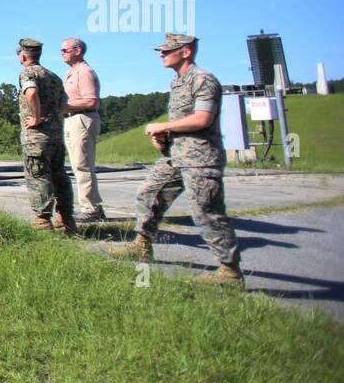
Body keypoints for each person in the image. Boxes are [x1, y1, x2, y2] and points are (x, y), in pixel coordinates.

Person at [111, 34, 243, 287]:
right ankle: (141, 245)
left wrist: (164, 125)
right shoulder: (178, 82)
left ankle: (229, 272)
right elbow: (184, 121)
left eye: (167, 50)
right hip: (175, 157)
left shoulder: (203, 80)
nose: (161, 54)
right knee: (148, 194)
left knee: (206, 212)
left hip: (201, 158)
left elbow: (203, 119)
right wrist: (165, 135)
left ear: (186, 52)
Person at [16, 38, 76, 234]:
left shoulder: (28, 73)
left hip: (37, 137)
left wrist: (36, 118)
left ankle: (43, 222)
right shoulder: (54, 77)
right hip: (56, 135)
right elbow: (64, 106)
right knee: (60, 177)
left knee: (38, 176)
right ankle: (66, 218)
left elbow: (31, 93)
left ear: (23, 56)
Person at [60, 37, 106, 223]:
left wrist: (64, 105)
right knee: (77, 165)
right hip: (72, 119)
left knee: (82, 165)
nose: (62, 52)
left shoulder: (85, 72)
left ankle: (91, 209)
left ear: (78, 51)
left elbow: (91, 101)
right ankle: (90, 206)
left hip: (83, 118)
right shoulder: (71, 72)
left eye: (65, 49)